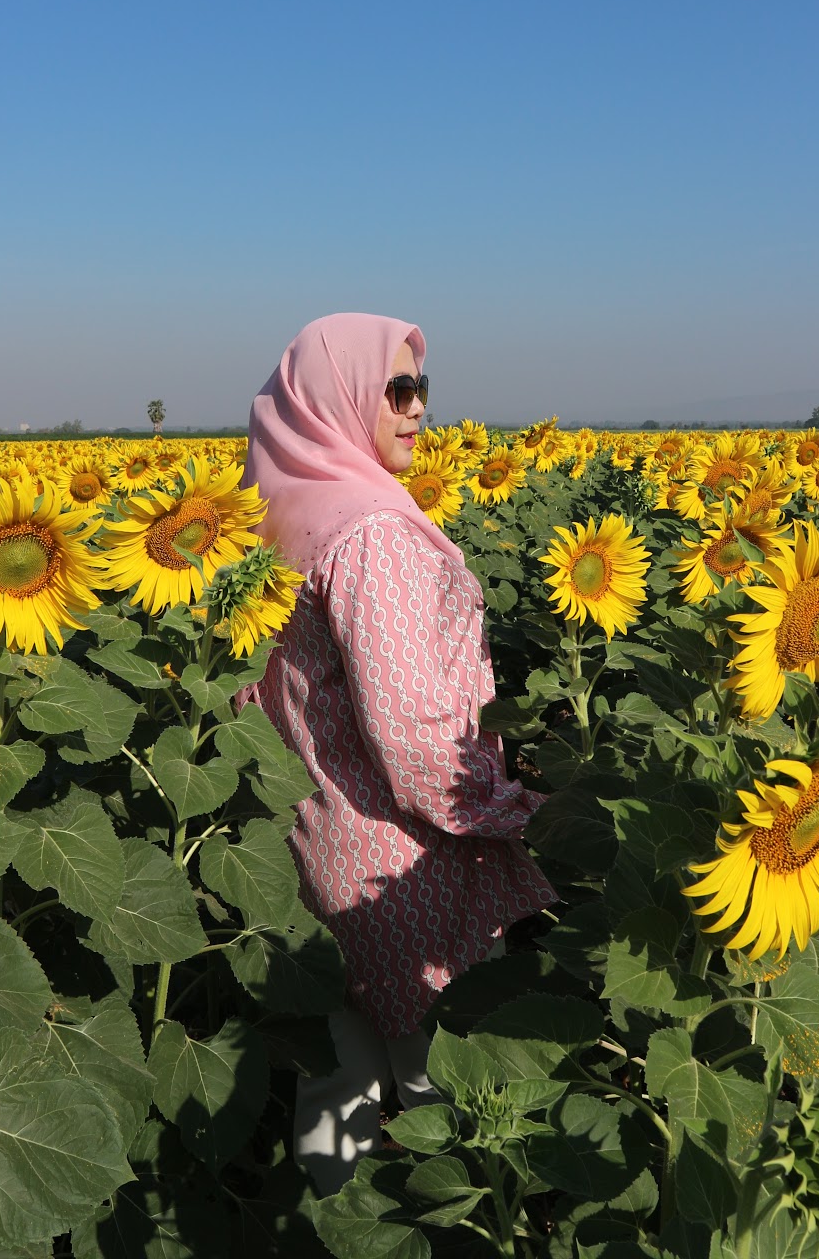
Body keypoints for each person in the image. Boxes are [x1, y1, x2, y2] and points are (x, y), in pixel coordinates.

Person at [242, 313, 556, 1195]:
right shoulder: (373, 534)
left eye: (423, 388)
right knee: (437, 1109)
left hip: (312, 845)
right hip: (399, 866)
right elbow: (410, 734)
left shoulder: (280, 507)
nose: (419, 409)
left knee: (339, 1083)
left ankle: (319, 1228)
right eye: (397, 388)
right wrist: (522, 813)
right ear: (339, 396)